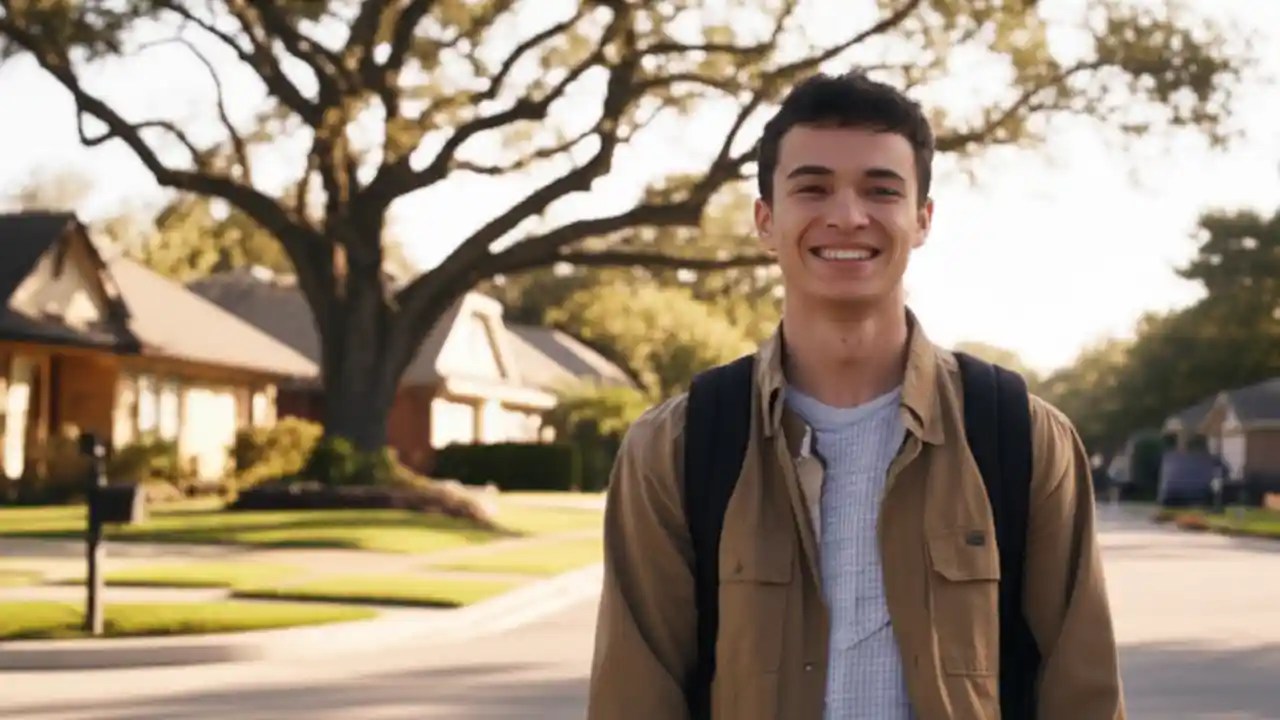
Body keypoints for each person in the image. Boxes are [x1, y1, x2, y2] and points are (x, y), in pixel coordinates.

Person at [585, 71, 1125, 720]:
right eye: (812, 188)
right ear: (765, 219)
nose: (847, 216)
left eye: (881, 190)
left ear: (922, 220)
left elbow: (1083, 696)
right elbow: (633, 698)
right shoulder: (676, 447)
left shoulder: (1022, 438)